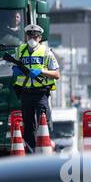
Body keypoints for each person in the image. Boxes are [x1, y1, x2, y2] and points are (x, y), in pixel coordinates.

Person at [11, 22, 60, 151]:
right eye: (30, 36)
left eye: (35, 36)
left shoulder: (46, 52)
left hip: (41, 93)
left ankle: (46, 149)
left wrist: (41, 71)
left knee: (43, 121)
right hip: (25, 92)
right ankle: (31, 152)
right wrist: (17, 70)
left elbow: (56, 74)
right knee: (28, 126)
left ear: (40, 38)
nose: (32, 38)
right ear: (26, 36)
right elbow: (14, 67)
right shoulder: (20, 50)